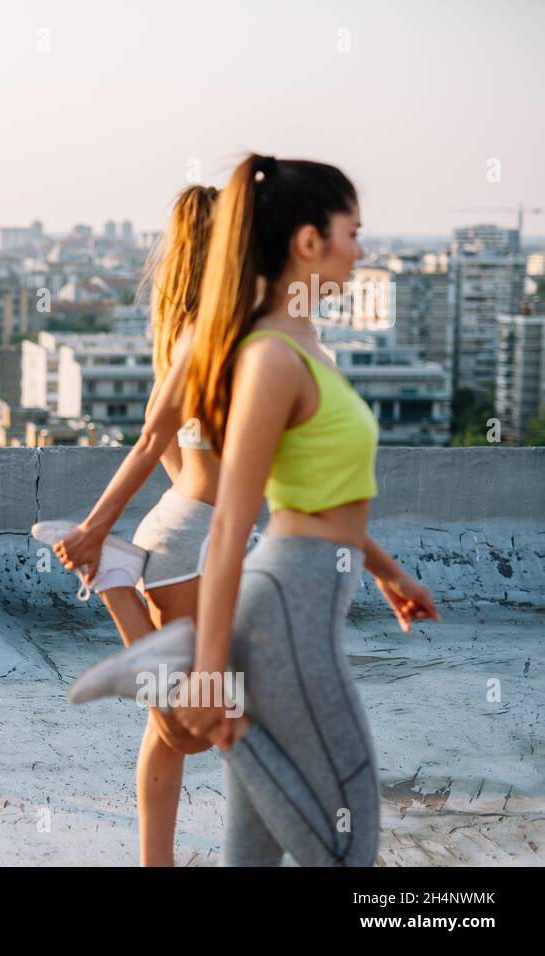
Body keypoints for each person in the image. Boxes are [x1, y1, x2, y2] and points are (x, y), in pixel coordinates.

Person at [70, 154, 439, 866]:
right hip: (281, 589)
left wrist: (388, 572)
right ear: (307, 241)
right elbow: (235, 508)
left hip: (273, 568)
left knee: (248, 836)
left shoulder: (273, 342)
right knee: (342, 838)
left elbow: (293, 487)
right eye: (351, 232)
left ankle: (159, 655)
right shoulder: (262, 353)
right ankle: (153, 650)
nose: (363, 250)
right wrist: (208, 666)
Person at [34, 184, 219, 867]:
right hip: (192, 535)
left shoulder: (183, 327)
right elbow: (150, 440)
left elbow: (169, 444)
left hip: (185, 525)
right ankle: (113, 578)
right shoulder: (212, 332)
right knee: (196, 723)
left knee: (168, 729)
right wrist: (97, 528)